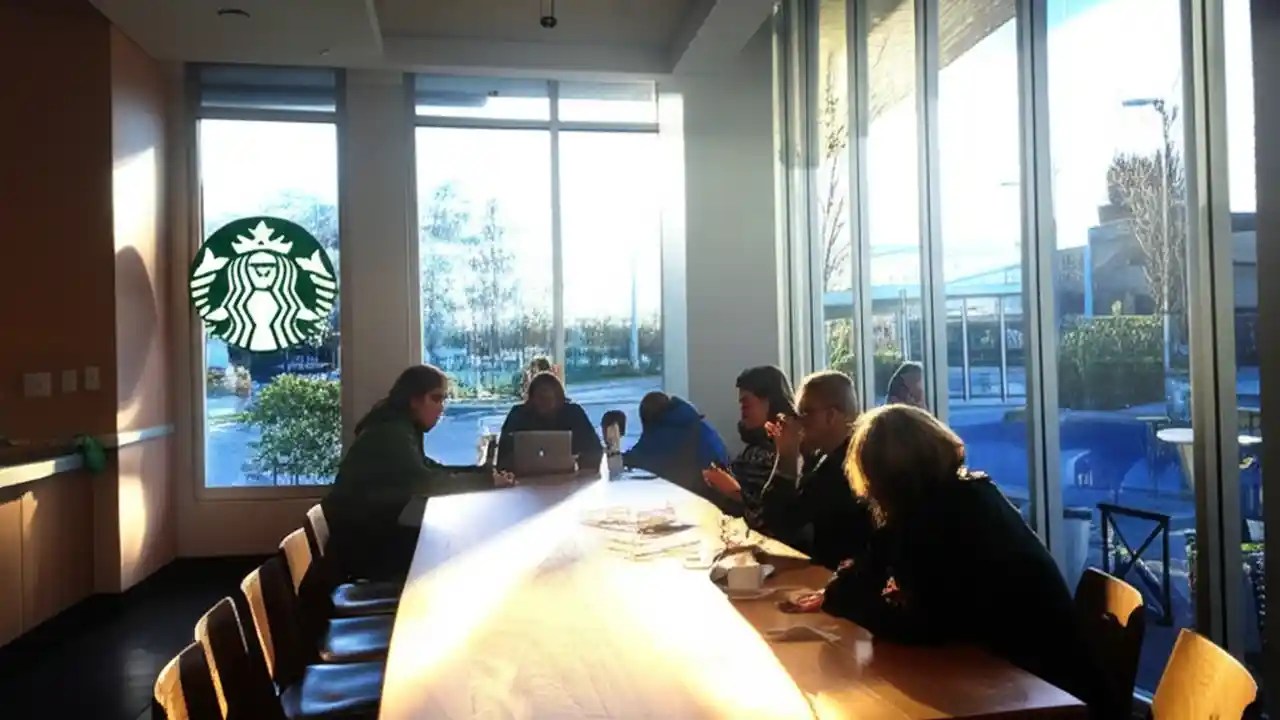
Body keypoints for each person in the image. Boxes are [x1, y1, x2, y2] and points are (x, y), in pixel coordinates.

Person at [821, 405, 1104, 710]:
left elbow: (922, 628)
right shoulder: (971, 495)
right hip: (1056, 681)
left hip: (1039, 698)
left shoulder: (930, 519)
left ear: (876, 479)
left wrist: (863, 602)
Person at [322, 365, 514, 582]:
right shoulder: (391, 432)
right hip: (361, 549)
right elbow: (426, 482)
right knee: (457, 548)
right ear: (414, 400)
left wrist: (481, 473)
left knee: (453, 541)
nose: (441, 408)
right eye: (436, 399)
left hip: (365, 536)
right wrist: (486, 480)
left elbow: (427, 468)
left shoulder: (397, 425)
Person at [704, 371, 872, 567]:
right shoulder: (825, 456)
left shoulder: (845, 466)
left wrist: (786, 456)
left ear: (831, 416)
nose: (799, 422)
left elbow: (779, 525)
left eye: (805, 413)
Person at [700, 365, 797, 521]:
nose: (742, 412)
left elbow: (770, 519)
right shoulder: (754, 449)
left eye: (746, 405)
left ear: (769, 402)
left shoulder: (781, 454)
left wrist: (733, 491)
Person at [624, 392, 731, 506]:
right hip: (717, 499)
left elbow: (638, 458)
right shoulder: (698, 424)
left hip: (692, 502)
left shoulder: (659, 433)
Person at [496, 371, 604, 474]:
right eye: (541, 398)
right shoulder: (518, 415)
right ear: (531, 399)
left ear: (560, 398)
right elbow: (503, 460)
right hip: (524, 482)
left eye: (548, 399)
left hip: (569, 480)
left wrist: (578, 463)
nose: (545, 404)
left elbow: (595, 451)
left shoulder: (573, 413)